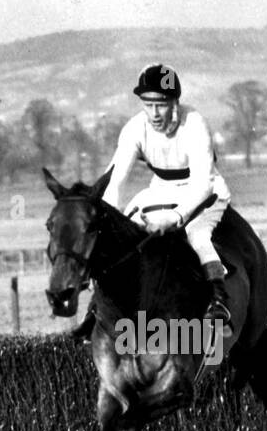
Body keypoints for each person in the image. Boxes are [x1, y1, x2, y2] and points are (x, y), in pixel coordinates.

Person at [72, 63, 232, 342]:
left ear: (175, 102)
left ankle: (218, 301)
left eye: (161, 104)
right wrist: (107, 217)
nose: (155, 113)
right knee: (120, 238)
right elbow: (115, 180)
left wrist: (174, 219)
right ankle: (96, 310)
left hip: (204, 190)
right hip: (160, 189)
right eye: (148, 104)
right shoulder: (134, 128)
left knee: (196, 234)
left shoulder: (195, 123)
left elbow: (202, 183)